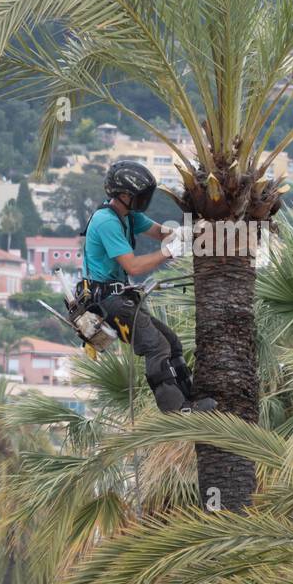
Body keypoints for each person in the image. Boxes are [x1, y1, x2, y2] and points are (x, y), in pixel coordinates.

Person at [77, 160, 216, 414]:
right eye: (139, 197)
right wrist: (168, 252)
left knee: (171, 342)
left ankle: (189, 398)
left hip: (121, 298)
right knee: (156, 346)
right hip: (108, 303)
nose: (143, 201)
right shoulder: (106, 221)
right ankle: (175, 410)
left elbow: (158, 231)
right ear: (123, 195)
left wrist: (181, 234)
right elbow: (134, 267)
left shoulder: (129, 216)